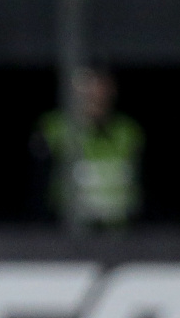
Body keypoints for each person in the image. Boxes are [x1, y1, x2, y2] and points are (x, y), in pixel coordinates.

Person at [29, 67, 143, 229]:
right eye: (88, 87)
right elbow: (37, 187)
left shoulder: (128, 130)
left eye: (102, 87)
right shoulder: (53, 128)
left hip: (119, 232)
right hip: (68, 231)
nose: (95, 94)